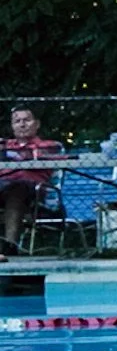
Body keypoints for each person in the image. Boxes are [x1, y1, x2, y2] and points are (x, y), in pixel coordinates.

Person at [0, 106, 62, 258]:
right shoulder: (4, 145)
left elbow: (42, 157)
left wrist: (12, 154)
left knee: (17, 188)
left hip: (34, 190)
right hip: (2, 187)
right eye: (17, 121)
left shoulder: (50, 146)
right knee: (10, 188)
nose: (22, 125)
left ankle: (10, 246)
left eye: (26, 120)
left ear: (37, 124)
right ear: (12, 125)